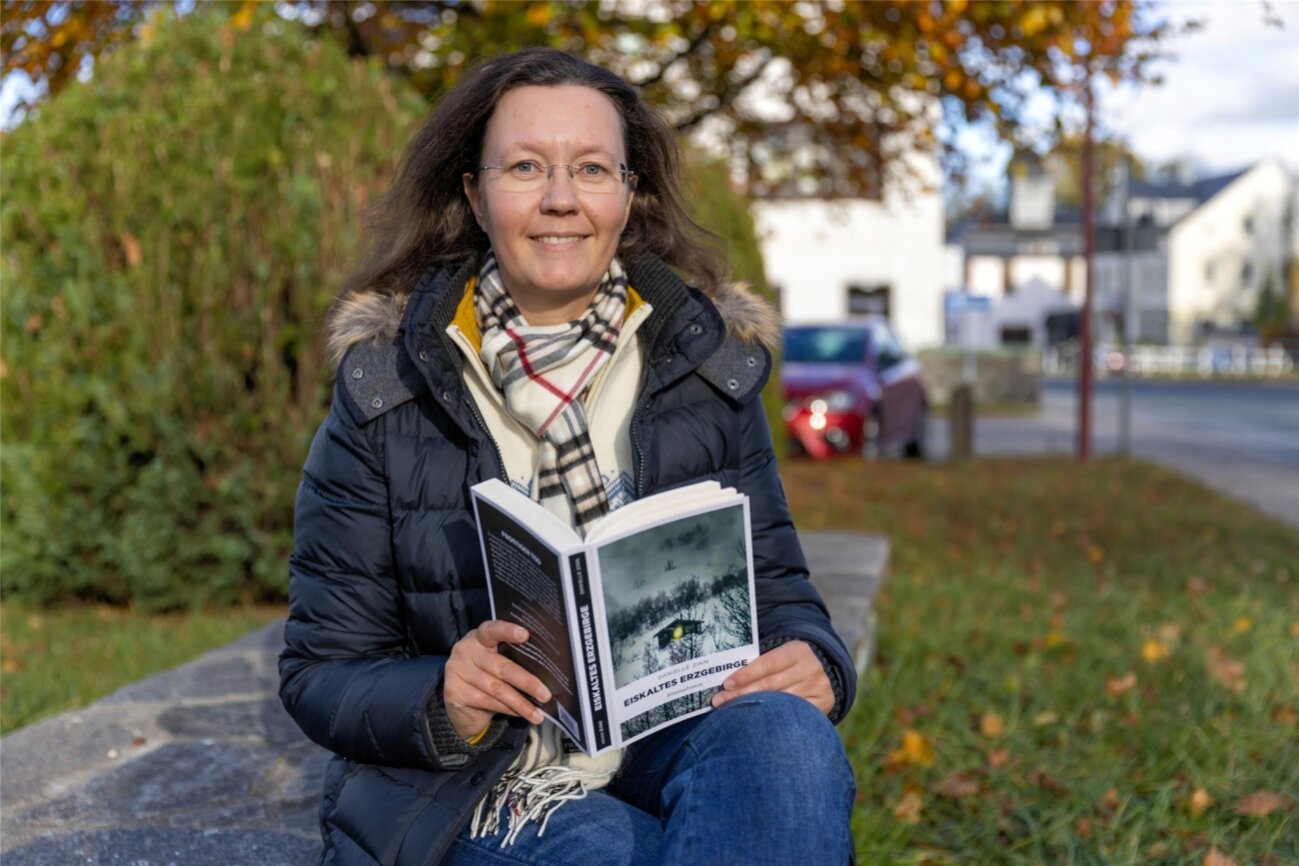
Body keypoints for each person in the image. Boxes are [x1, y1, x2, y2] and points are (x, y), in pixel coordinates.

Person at [279, 47, 857, 866]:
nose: (559, 200)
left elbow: (778, 593)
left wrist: (819, 663)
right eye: (524, 167)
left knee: (787, 745)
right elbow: (321, 670)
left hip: (679, 732)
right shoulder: (388, 389)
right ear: (475, 196)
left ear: (630, 194)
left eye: (590, 168)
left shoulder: (704, 368)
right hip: (487, 782)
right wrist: (443, 694)